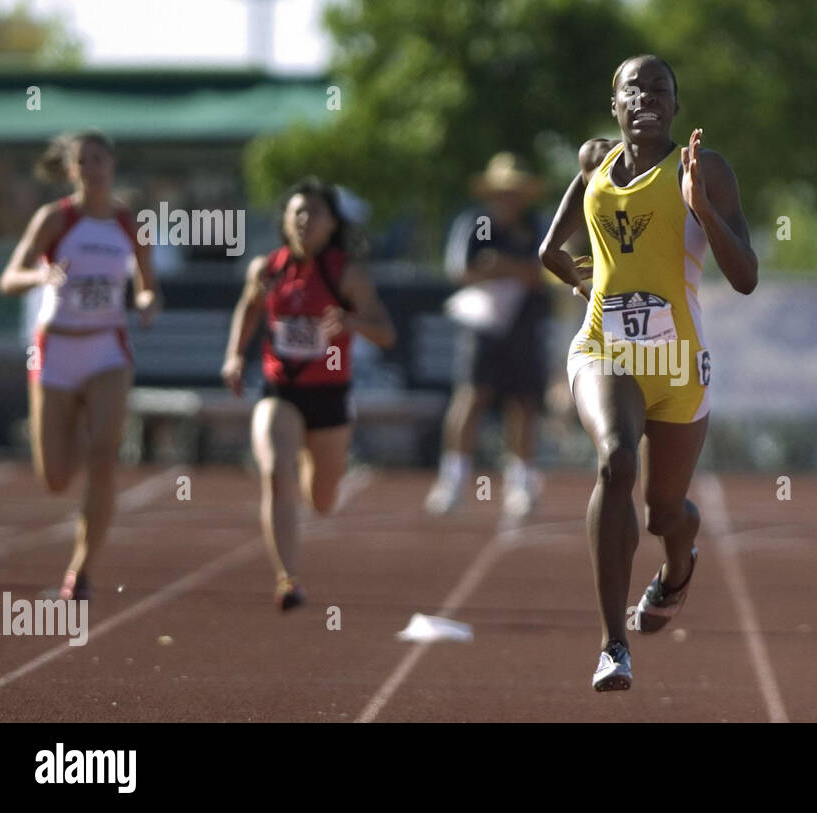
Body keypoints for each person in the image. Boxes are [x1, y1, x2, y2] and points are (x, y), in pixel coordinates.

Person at [539, 55, 757, 691]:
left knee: (665, 512)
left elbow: (745, 277)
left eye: (660, 89)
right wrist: (593, 294)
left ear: (675, 106)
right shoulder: (593, 164)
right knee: (615, 460)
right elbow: (553, 251)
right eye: (634, 88)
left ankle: (679, 564)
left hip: (677, 363)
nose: (647, 98)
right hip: (605, 348)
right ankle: (614, 644)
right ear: (616, 103)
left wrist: (702, 209)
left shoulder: (706, 170)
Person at [0, 129, 161, 601]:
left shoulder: (132, 224)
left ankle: (81, 570)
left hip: (108, 349)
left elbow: (148, 285)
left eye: (99, 159)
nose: (92, 168)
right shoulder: (56, 219)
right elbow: (8, 279)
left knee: (105, 457)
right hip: (57, 351)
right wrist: (39, 275)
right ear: (71, 170)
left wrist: (148, 302)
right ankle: (65, 429)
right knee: (55, 478)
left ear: (112, 165)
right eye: (83, 161)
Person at [221, 178, 396, 610]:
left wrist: (353, 323)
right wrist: (234, 357)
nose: (304, 220)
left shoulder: (346, 273)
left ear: (332, 223)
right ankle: (288, 578)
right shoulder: (266, 269)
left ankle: (306, 461)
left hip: (330, 395)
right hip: (280, 389)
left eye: (314, 213)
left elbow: (386, 333)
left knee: (321, 500)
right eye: (297, 212)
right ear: (284, 220)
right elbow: (249, 308)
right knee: (276, 473)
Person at [425, 154, 550, 518]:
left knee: (524, 402)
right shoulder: (475, 223)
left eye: (514, 192)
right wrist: (501, 272)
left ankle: (521, 483)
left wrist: (503, 267)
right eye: (502, 192)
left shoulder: (538, 225)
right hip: (482, 326)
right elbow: (459, 270)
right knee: (471, 396)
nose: (508, 199)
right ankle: (453, 480)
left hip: (525, 325)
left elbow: (545, 271)